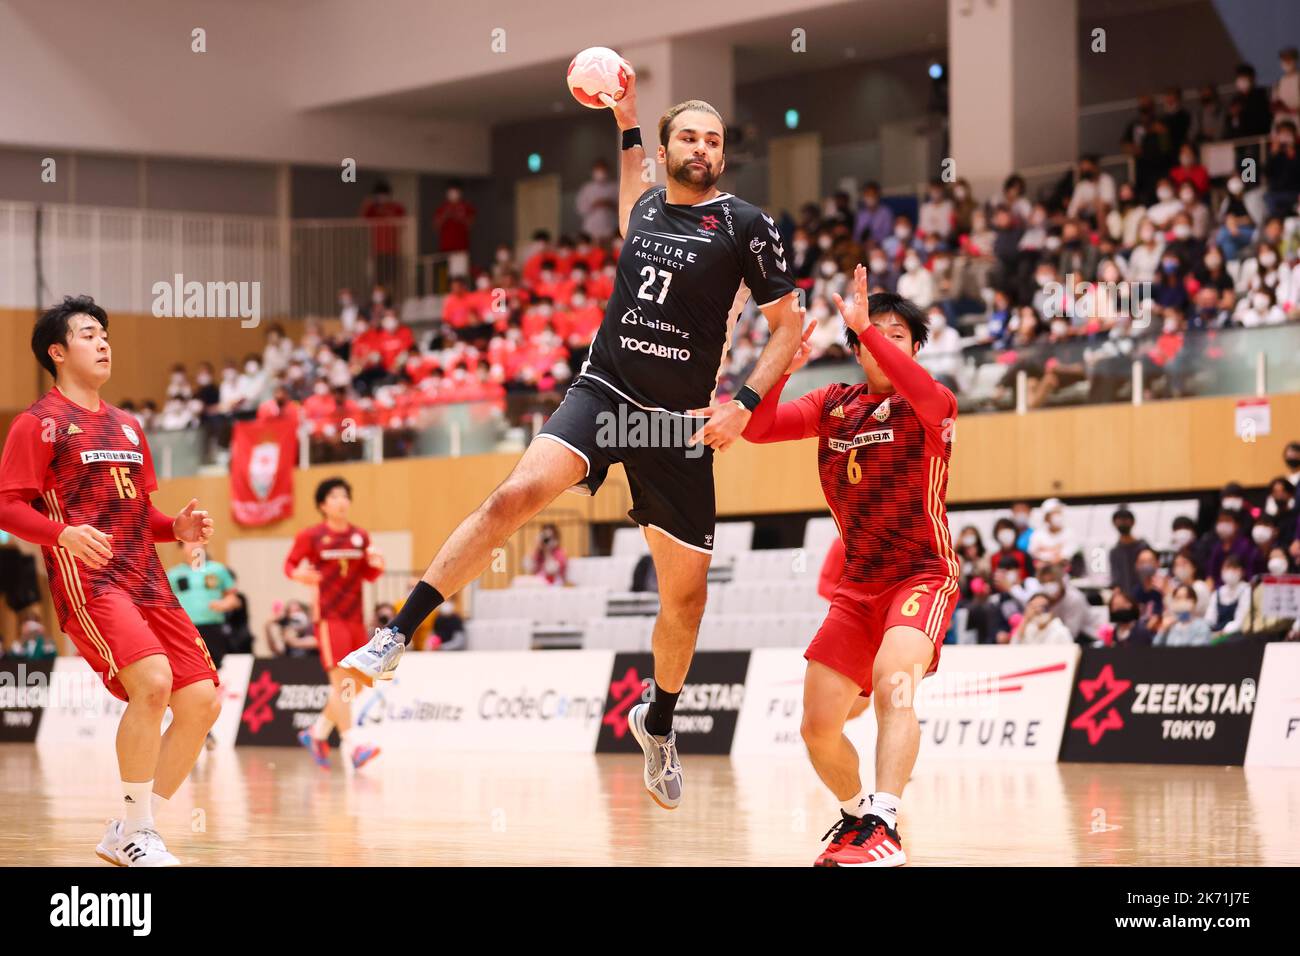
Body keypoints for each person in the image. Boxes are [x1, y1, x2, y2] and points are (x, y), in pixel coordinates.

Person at [340, 73, 804, 815]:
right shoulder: (648, 204)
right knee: (515, 495)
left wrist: (744, 403)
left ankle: (657, 725)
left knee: (683, 603)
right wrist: (623, 120)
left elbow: (789, 324)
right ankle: (395, 633)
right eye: (688, 136)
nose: (703, 148)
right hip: (604, 394)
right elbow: (630, 190)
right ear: (666, 146)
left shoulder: (746, 225)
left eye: (713, 140)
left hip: (675, 423)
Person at [742, 272, 958, 867]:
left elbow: (922, 388)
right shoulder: (834, 403)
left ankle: (887, 824)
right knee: (817, 727)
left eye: (898, 334)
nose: (883, 342)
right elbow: (758, 429)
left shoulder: (932, 403)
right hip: (857, 585)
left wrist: (868, 325)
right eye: (869, 335)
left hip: (921, 575)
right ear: (855, 350)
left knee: (895, 682)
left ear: (915, 348)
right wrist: (785, 367)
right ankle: (859, 815)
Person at [0, 295, 220, 866]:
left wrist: (178, 526)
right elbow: (7, 507)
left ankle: (127, 826)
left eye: (106, 335)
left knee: (201, 702)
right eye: (89, 334)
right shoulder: (38, 423)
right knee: (152, 682)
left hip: (148, 578)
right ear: (57, 350)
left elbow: (137, 515)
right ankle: (137, 831)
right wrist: (62, 535)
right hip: (92, 582)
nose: (103, 343)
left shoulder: (128, 426)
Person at [284, 478, 385, 772]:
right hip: (329, 618)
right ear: (322, 505)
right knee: (341, 683)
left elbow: (369, 574)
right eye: (334, 496)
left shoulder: (360, 536)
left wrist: (377, 565)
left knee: (359, 683)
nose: (341, 501)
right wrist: (298, 575)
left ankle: (316, 732)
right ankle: (354, 746)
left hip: (356, 617)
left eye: (345, 496)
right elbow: (289, 566)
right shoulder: (311, 536)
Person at [165, 542, 239, 672]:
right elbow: (165, 602)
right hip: (183, 628)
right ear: (181, 547)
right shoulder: (173, 574)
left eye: (197, 541)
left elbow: (233, 598)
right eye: (188, 542)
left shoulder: (218, 570)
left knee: (214, 668)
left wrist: (223, 604)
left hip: (212, 628)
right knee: (186, 668)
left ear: (205, 545)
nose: (193, 545)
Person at [433, 181, 476, 279]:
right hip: (445, 248)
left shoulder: (466, 207)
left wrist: (459, 216)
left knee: (459, 276)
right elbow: (436, 226)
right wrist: (446, 215)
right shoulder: (443, 207)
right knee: (444, 275)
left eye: (455, 191)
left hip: (461, 248)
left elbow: (470, 224)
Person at [576, 159, 619, 242]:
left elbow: (622, 210)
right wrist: (595, 204)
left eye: (603, 169)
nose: (601, 173)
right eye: (598, 169)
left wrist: (609, 204)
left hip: (611, 228)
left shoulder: (615, 187)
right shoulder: (587, 188)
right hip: (591, 230)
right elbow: (581, 209)